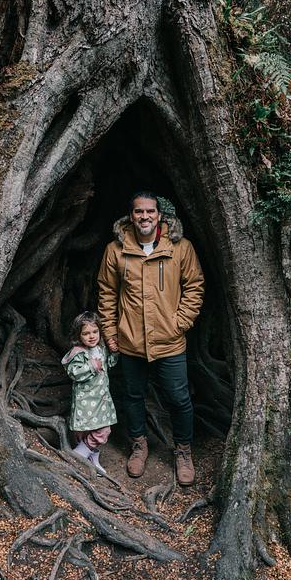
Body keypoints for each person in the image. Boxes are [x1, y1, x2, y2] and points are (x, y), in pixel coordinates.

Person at [97, 192, 204, 485]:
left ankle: (183, 451)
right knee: (132, 396)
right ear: (130, 216)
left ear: (160, 216)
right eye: (139, 212)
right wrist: (110, 332)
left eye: (150, 212)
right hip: (130, 341)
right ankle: (139, 445)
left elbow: (194, 287)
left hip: (170, 341)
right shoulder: (115, 250)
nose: (145, 217)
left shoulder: (180, 248)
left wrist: (179, 323)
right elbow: (106, 294)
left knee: (179, 398)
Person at [61, 311, 118, 473]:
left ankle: (88, 457)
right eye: (86, 333)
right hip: (85, 401)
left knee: (100, 430)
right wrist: (92, 366)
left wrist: (114, 352)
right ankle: (78, 456)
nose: (91, 336)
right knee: (91, 431)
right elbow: (74, 373)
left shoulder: (100, 349)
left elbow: (109, 364)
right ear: (78, 336)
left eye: (95, 332)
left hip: (101, 400)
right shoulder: (78, 352)